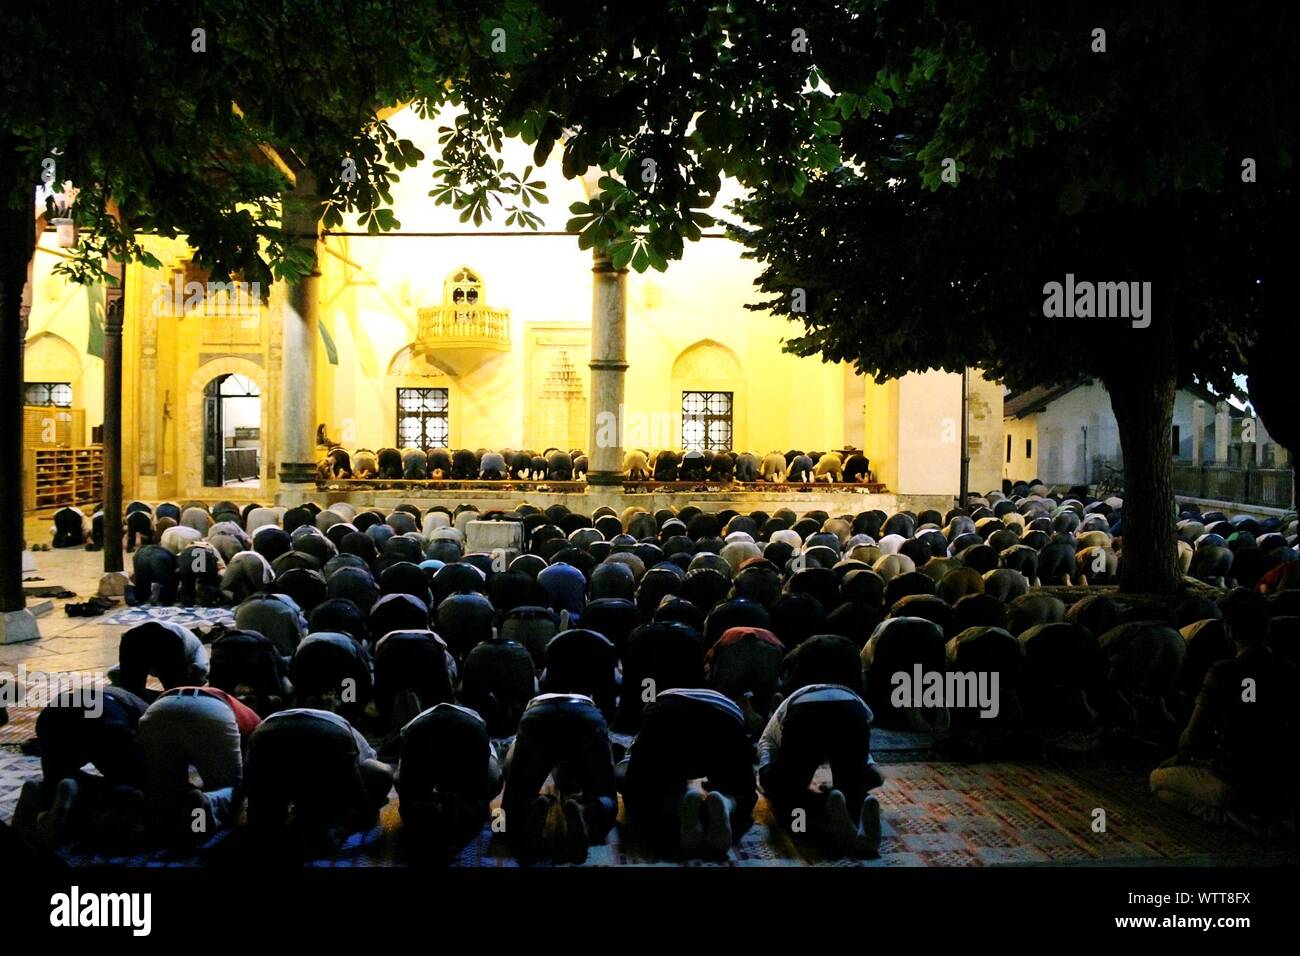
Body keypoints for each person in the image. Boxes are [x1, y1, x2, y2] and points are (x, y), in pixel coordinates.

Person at [1151, 589, 1299, 834]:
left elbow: (1191, 738)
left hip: (1237, 780)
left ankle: (1234, 818)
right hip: (1282, 781)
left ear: (1229, 630)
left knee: (1158, 780)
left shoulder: (1224, 672)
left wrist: (1181, 757)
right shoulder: (1289, 671)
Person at [618, 688, 755, 857]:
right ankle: (725, 804)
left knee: (639, 794)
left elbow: (627, 771)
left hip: (666, 716)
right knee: (743, 793)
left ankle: (679, 806)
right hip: (726, 716)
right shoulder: (718, 696)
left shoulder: (655, 704)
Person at [244, 707, 394, 855]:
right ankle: (331, 832)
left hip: (267, 731)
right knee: (361, 806)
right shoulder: (353, 737)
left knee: (262, 822)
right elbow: (377, 772)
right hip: (328, 731)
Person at [13, 687, 149, 848]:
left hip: (54, 714)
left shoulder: (128, 698)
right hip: (105, 719)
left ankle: (44, 792)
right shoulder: (153, 715)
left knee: (58, 779)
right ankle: (84, 798)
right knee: (136, 788)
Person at [757, 683, 883, 856]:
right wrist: (863, 776)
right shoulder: (798, 699)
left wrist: (771, 780)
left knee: (789, 800)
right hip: (854, 709)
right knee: (852, 788)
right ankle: (857, 807)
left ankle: (825, 805)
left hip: (806, 714)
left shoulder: (771, 728)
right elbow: (868, 763)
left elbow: (766, 762)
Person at [500, 692, 617, 864]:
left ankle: (531, 807)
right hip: (584, 714)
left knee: (511, 803)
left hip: (538, 713)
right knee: (606, 797)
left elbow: (510, 764)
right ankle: (585, 811)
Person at [137, 685, 261, 841]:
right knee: (231, 787)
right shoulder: (257, 723)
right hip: (211, 710)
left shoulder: (235, 703)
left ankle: (162, 826)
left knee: (167, 785)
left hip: (160, 708)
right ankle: (200, 820)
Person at [396, 703, 502, 856]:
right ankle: (461, 819)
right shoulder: (476, 724)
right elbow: (493, 777)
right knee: (475, 796)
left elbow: (400, 778)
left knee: (411, 798)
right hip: (469, 727)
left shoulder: (414, 726)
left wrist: (416, 794)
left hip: (422, 729)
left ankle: (424, 817)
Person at [109, 621, 209, 701]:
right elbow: (201, 668)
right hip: (160, 641)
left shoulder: (193, 648)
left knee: (132, 694)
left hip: (139, 638)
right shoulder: (196, 648)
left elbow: (114, 672)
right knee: (177, 695)